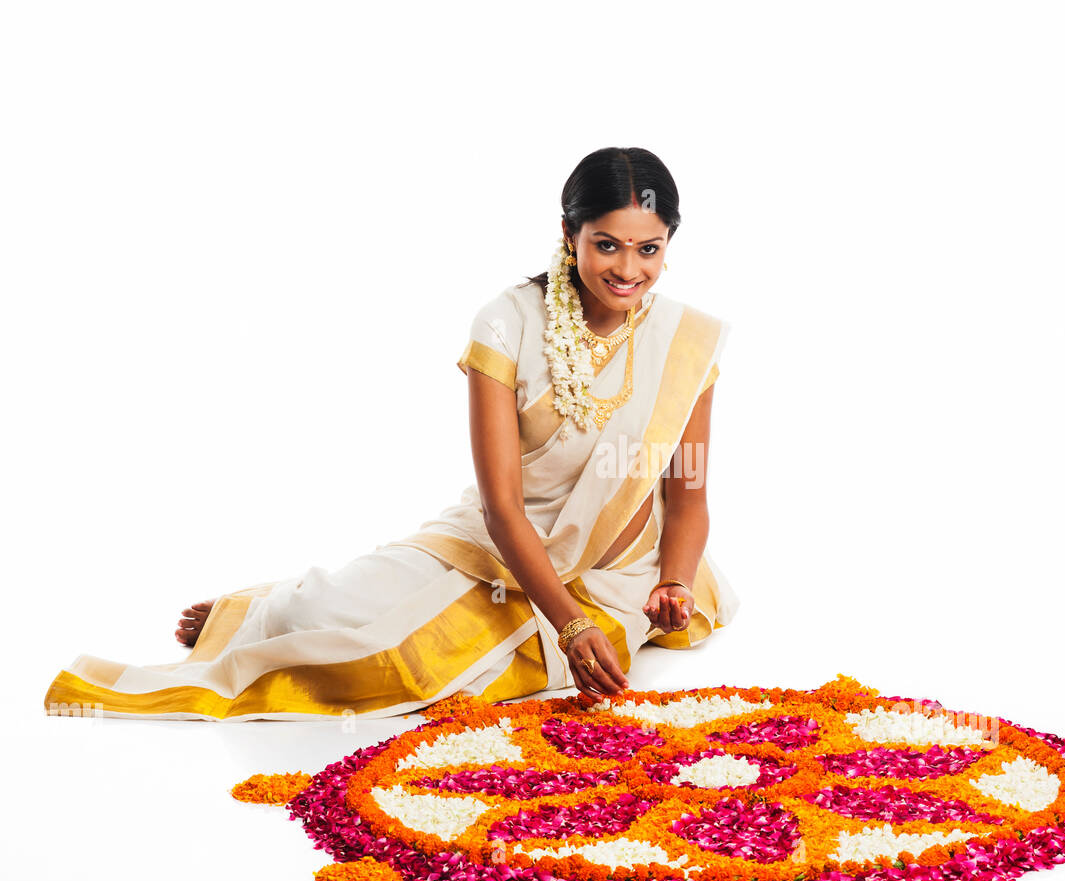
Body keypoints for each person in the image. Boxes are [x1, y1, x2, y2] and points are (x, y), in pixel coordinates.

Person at [43, 147, 739, 722]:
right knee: (322, 611)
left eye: (648, 249)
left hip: (616, 572)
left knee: (421, 668)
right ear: (568, 235)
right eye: (606, 245)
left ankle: (292, 609)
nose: (627, 269)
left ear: (669, 243)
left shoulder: (686, 342)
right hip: (498, 541)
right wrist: (570, 624)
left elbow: (690, 497)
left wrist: (673, 583)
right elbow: (501, 507)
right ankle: (262, 608)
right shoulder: (507, 323)